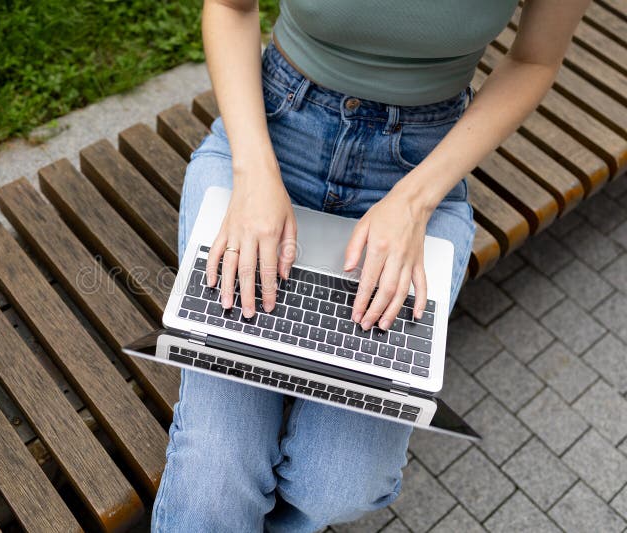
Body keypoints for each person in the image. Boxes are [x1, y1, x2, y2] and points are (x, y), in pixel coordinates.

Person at [152, 1, 590, 531]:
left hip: (421, 168)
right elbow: (229, 6)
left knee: (337, 486)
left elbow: (535, 61)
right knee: (213, 474)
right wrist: (254, 174)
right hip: (270, 134)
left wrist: (414, 202)